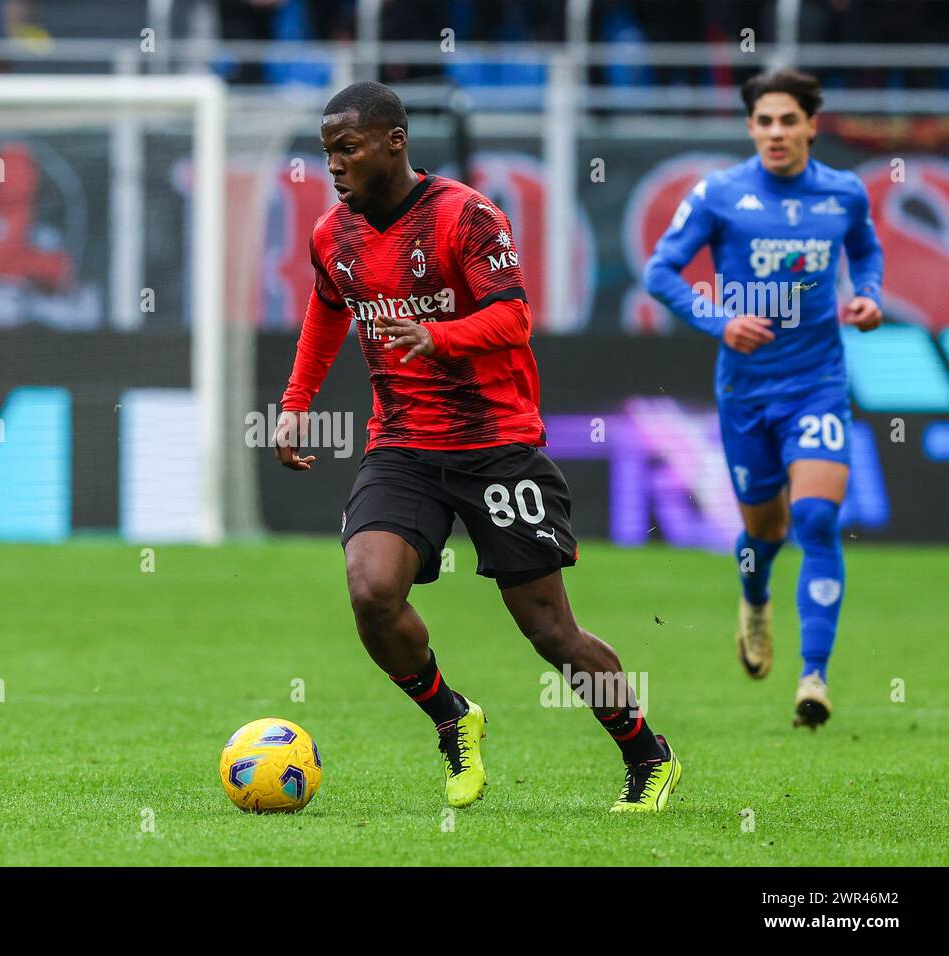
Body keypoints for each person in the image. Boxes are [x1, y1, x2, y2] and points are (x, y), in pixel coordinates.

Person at [274, 81, 681, 810]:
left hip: (495, 443)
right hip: (400, 443)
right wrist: (296, 404)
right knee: (371, 591)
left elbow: (513, 319)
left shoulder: (465, 217)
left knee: (550, 631)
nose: (334, 166)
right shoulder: (333, 235)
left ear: (393, 141)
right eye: (327, 152)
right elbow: (327, 310)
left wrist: (440, 335)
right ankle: (451, 718)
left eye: (347, 148)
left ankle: (646, 753)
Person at [644, 68, 883, 728]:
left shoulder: (843, 193)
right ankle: (753, 597)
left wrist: (868, 296)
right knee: (764, 532)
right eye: (764, 121)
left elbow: (865, 250)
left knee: (814, 520)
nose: (776, 132)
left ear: (812, 123)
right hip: (745, 392)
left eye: (788, 120)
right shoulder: (720, 194)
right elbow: (660, 271)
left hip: (818, 385)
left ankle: (814, 677)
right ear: (751, 128)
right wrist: (720, 320)